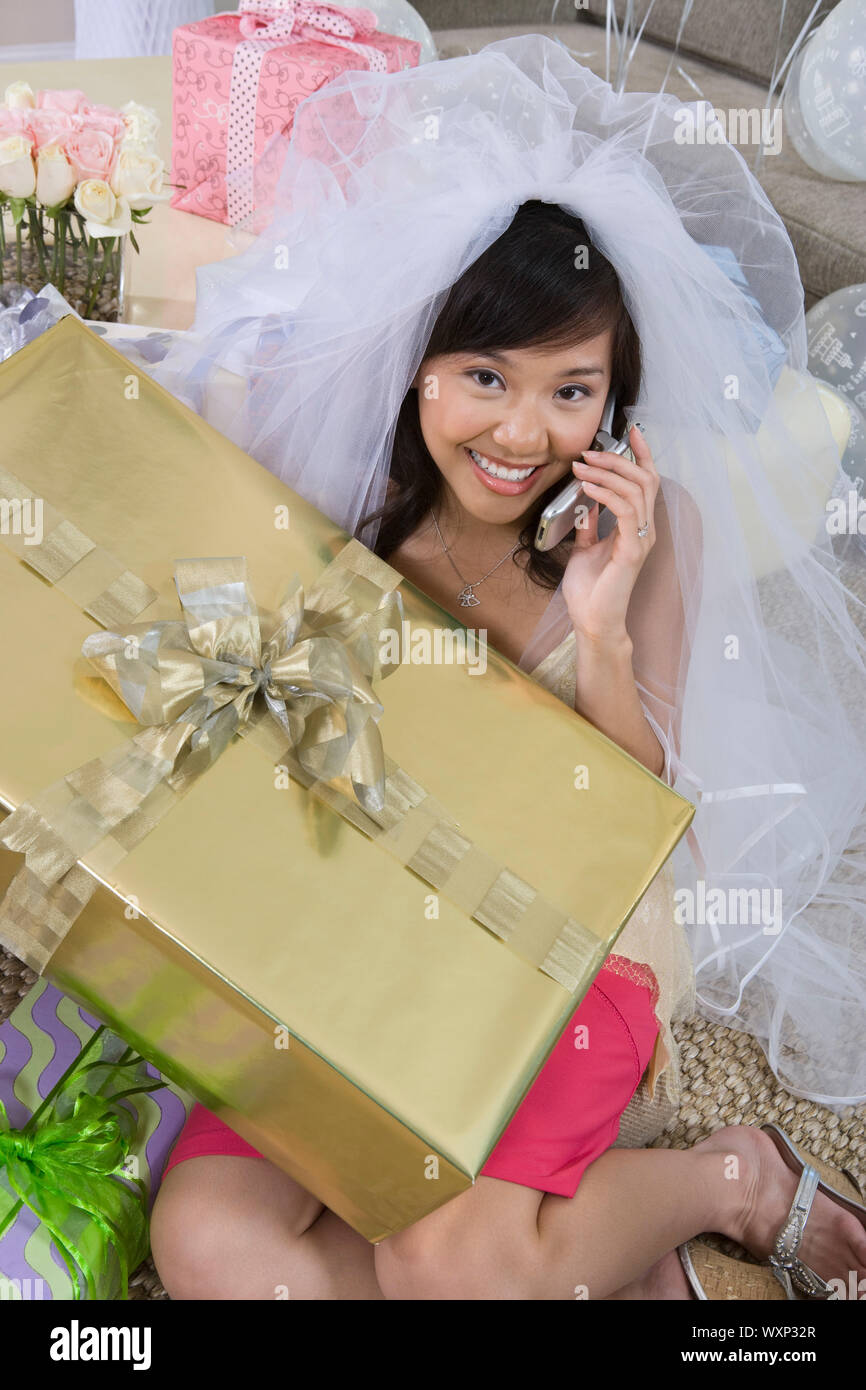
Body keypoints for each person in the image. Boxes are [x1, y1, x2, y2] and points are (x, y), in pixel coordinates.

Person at [142, 36, 866, 1297]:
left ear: (613, 403)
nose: (522, 433)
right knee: (210, 1240)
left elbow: (644, 823)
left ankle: (724, 1179)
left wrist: (595, 625)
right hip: (367, 897)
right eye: (484, 376)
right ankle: (575, 1257)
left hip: (567, 923)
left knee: (447, 1262)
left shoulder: (650, 531)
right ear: (420, 361)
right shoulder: (351, 480)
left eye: (571, 392)